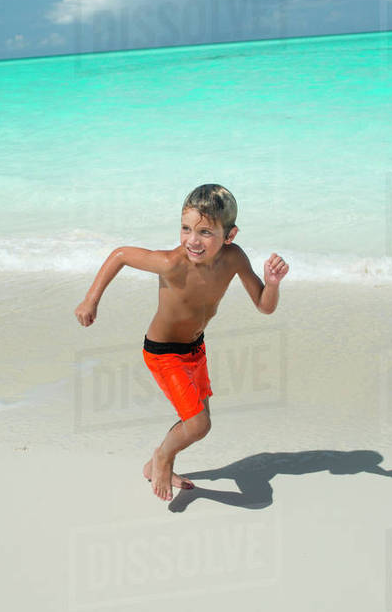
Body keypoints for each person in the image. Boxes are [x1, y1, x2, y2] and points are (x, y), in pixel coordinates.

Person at [74, 184, 289, 501]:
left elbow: (264, 305)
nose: (192, 240)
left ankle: (154, 463)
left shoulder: (234, 259)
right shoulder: (171, 263)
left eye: (205, 232)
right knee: (198, 424)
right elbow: (120, 255)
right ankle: (162, 459)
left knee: (199, 420)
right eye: (186, 228)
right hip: (163, 353)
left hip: (196, 350)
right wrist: (90, 301)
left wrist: (271, 284)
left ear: (229, 235)